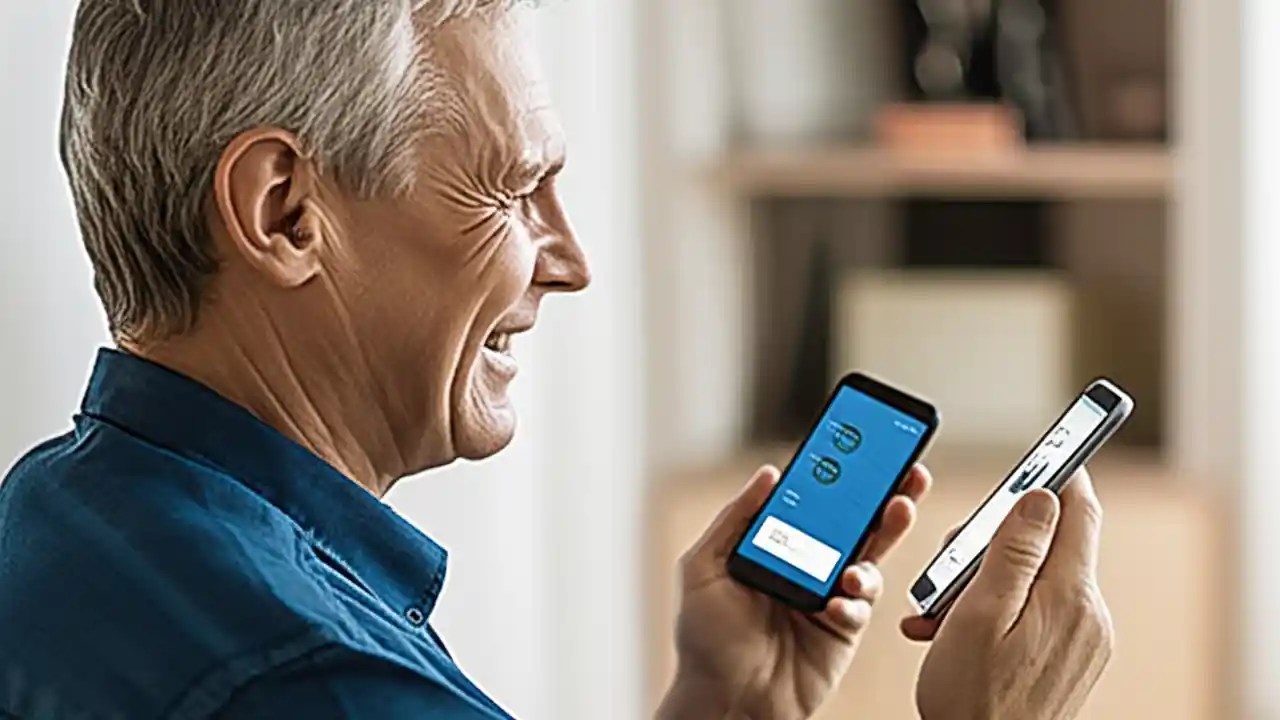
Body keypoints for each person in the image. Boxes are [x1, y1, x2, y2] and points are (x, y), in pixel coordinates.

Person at [0, 1, 1113, 718]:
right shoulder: (314, 681)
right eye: (511, 188)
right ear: (285, 211)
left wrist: (725, 707)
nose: (569, 260)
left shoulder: (54, 510)